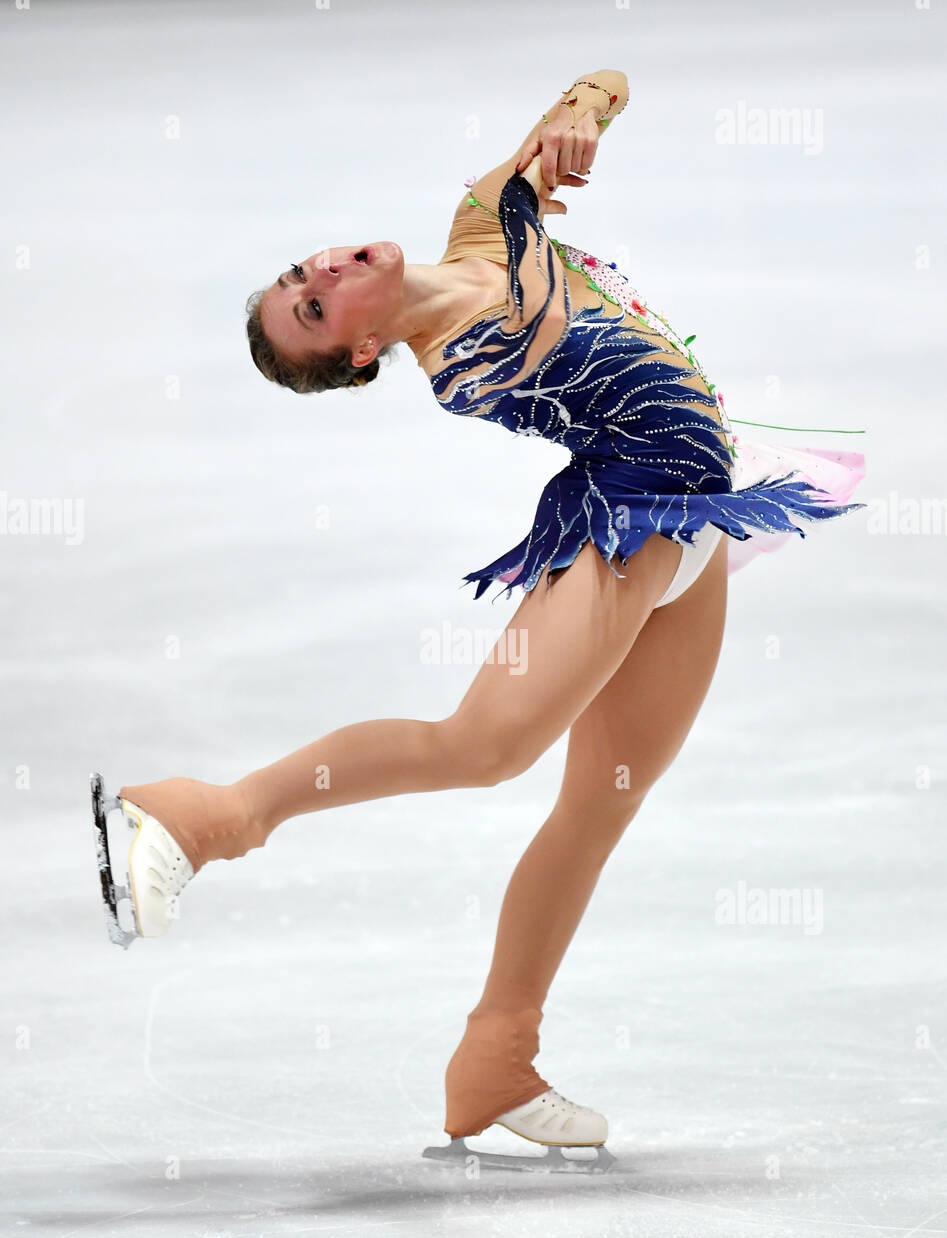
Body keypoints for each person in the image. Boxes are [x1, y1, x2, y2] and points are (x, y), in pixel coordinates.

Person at [107, 71, 864, 1154]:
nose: (318, 269)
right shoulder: (458, 359)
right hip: (628, 519)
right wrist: (540, 167)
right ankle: (205, 816)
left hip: (706, 515)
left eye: (298, 272)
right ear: (362, 353)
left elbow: (605, 84)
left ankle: (495, 1057)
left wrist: (573, 119)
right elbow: (544, 326)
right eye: (313, 308)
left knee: (599, 805)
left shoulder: (477, 222)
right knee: (483, 745)